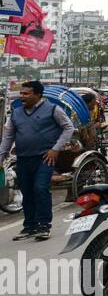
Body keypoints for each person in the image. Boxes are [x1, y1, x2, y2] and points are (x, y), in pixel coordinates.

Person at [0, 80, 76, 242]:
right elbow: (8, 137)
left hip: (44, 158)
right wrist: (1, 156)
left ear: (38, 95)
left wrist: (56, 149)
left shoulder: (53, 110)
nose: (22, 97)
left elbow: (68, 127)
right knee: (27, 192)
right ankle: (30, 226)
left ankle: (43, 225)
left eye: (26, 94)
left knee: (40, 188)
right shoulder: (16, 113)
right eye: (21, 94)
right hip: (23, 159)